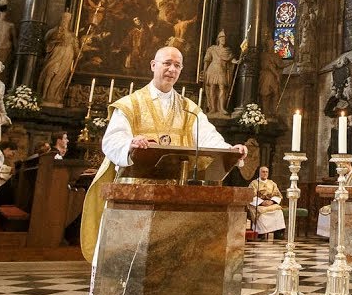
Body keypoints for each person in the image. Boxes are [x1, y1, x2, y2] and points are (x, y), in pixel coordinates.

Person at [80, 45, 247, 261]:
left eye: (177, 65)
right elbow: (112, 141)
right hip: (135, 197)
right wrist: (131, 145)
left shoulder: (189, 109)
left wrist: (230, 151)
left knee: (168, 262)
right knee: (131, 261)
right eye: (167, 63)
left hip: (174, 197)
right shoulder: (131, 104)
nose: (172, 69)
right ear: (153, 65)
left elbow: (208, 138)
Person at [248, 166, 285, 241]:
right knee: (261, 212)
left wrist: (272, 201)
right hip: (258, 204)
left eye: (266, 172)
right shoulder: (254, 183)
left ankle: (278, 233)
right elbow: (251, 195)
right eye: (263, 172)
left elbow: (277, 195)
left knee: (278, 211)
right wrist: (262, 202)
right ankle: (260, 233)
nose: (265, 173)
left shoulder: (272, 183)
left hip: (270, 203)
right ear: (259, 173)